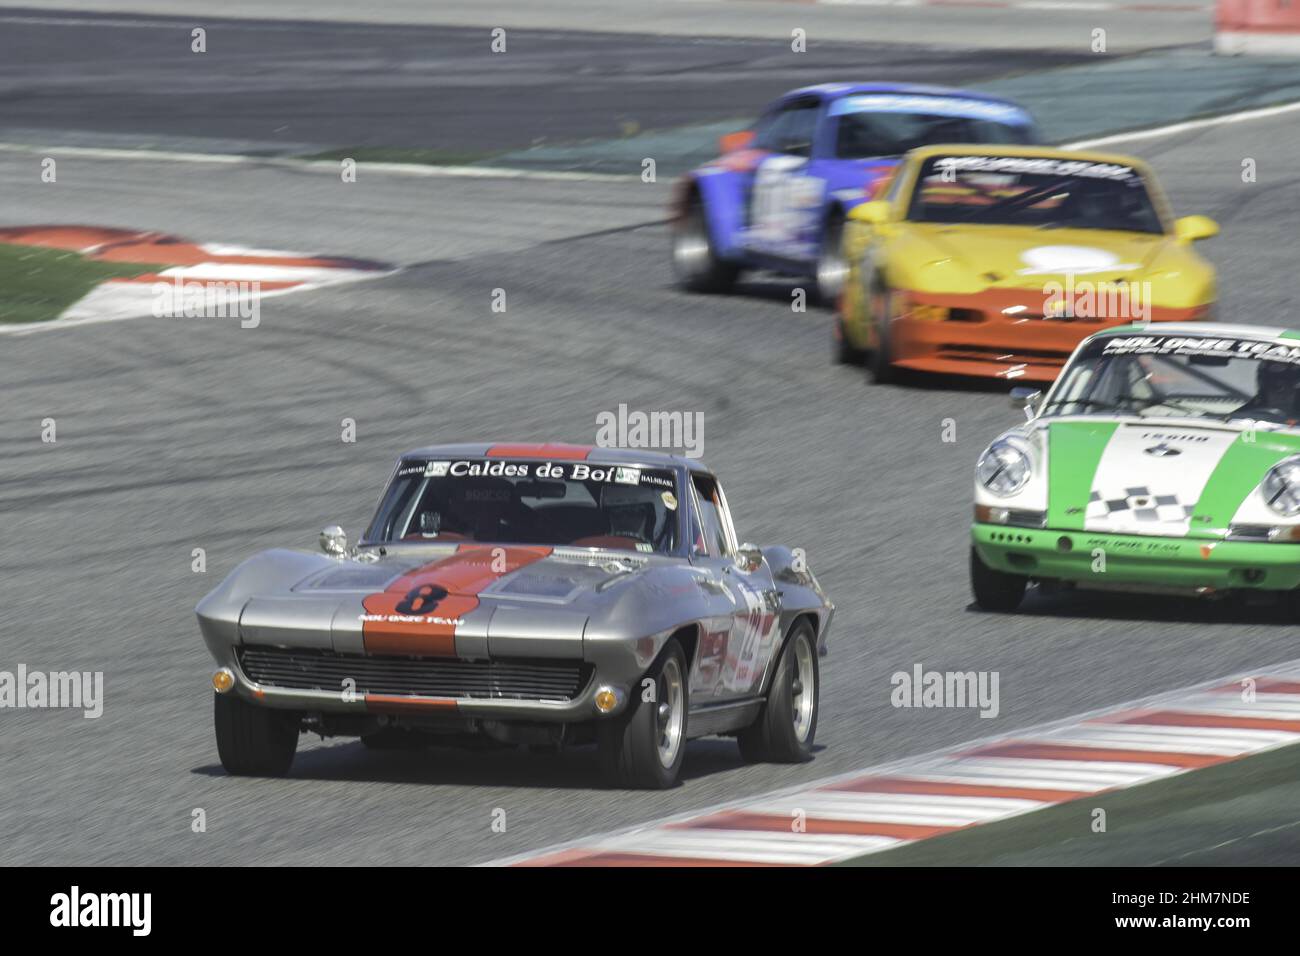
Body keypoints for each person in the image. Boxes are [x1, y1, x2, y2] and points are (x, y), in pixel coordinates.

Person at [1234, 359, 1300, 423]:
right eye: (1277, 388)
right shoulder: (1237, 420)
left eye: (1293, 388)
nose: (1286, 394)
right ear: (1264, 389)